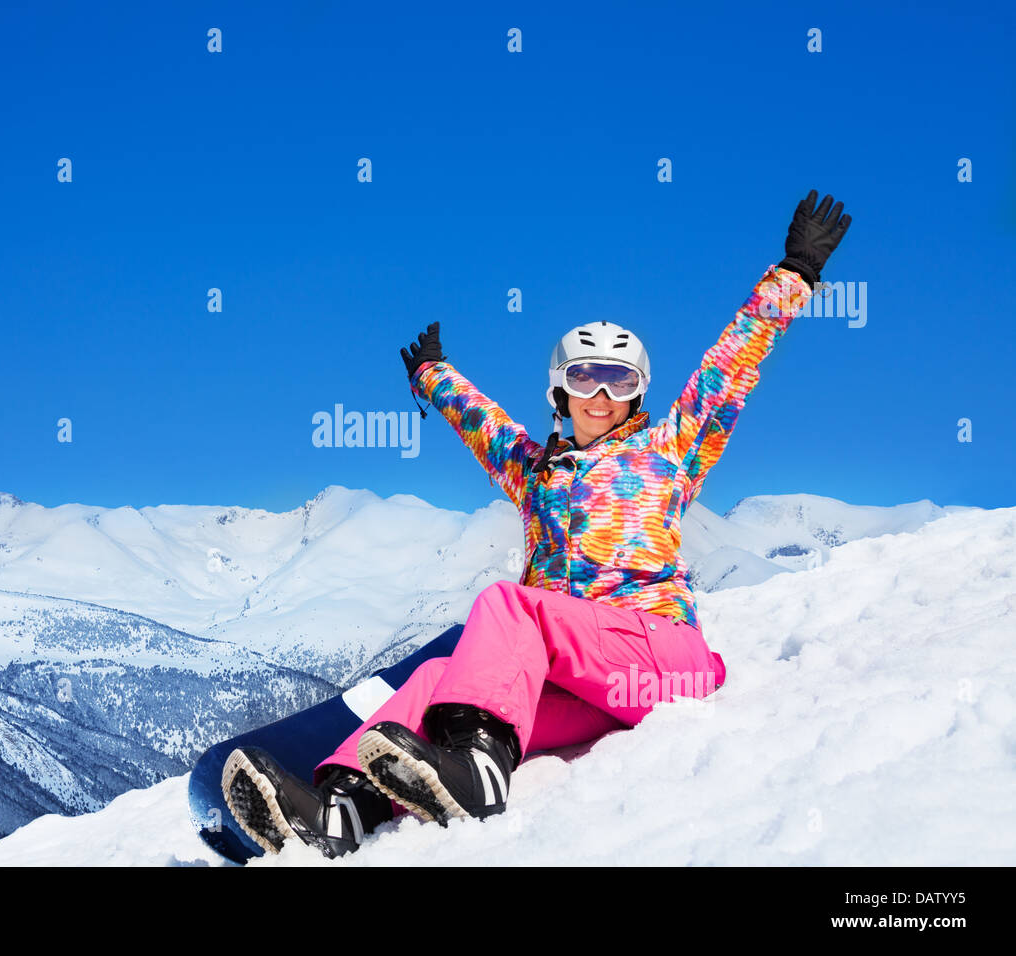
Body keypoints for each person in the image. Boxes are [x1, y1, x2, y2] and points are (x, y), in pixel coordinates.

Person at [223, 190, 852, 859]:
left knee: (511, 607)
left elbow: (730, 369)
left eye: (617, 380)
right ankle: (338, 809)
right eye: (586, 378)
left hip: (664, 660)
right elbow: (485, 429)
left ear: (638, 391)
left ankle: (481, 771)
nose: (602, 396)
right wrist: (435, 377)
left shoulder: (670, 451)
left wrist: (796, 273)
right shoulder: (538, 474)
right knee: (435, 683)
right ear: (561, 390)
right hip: (586, 688)